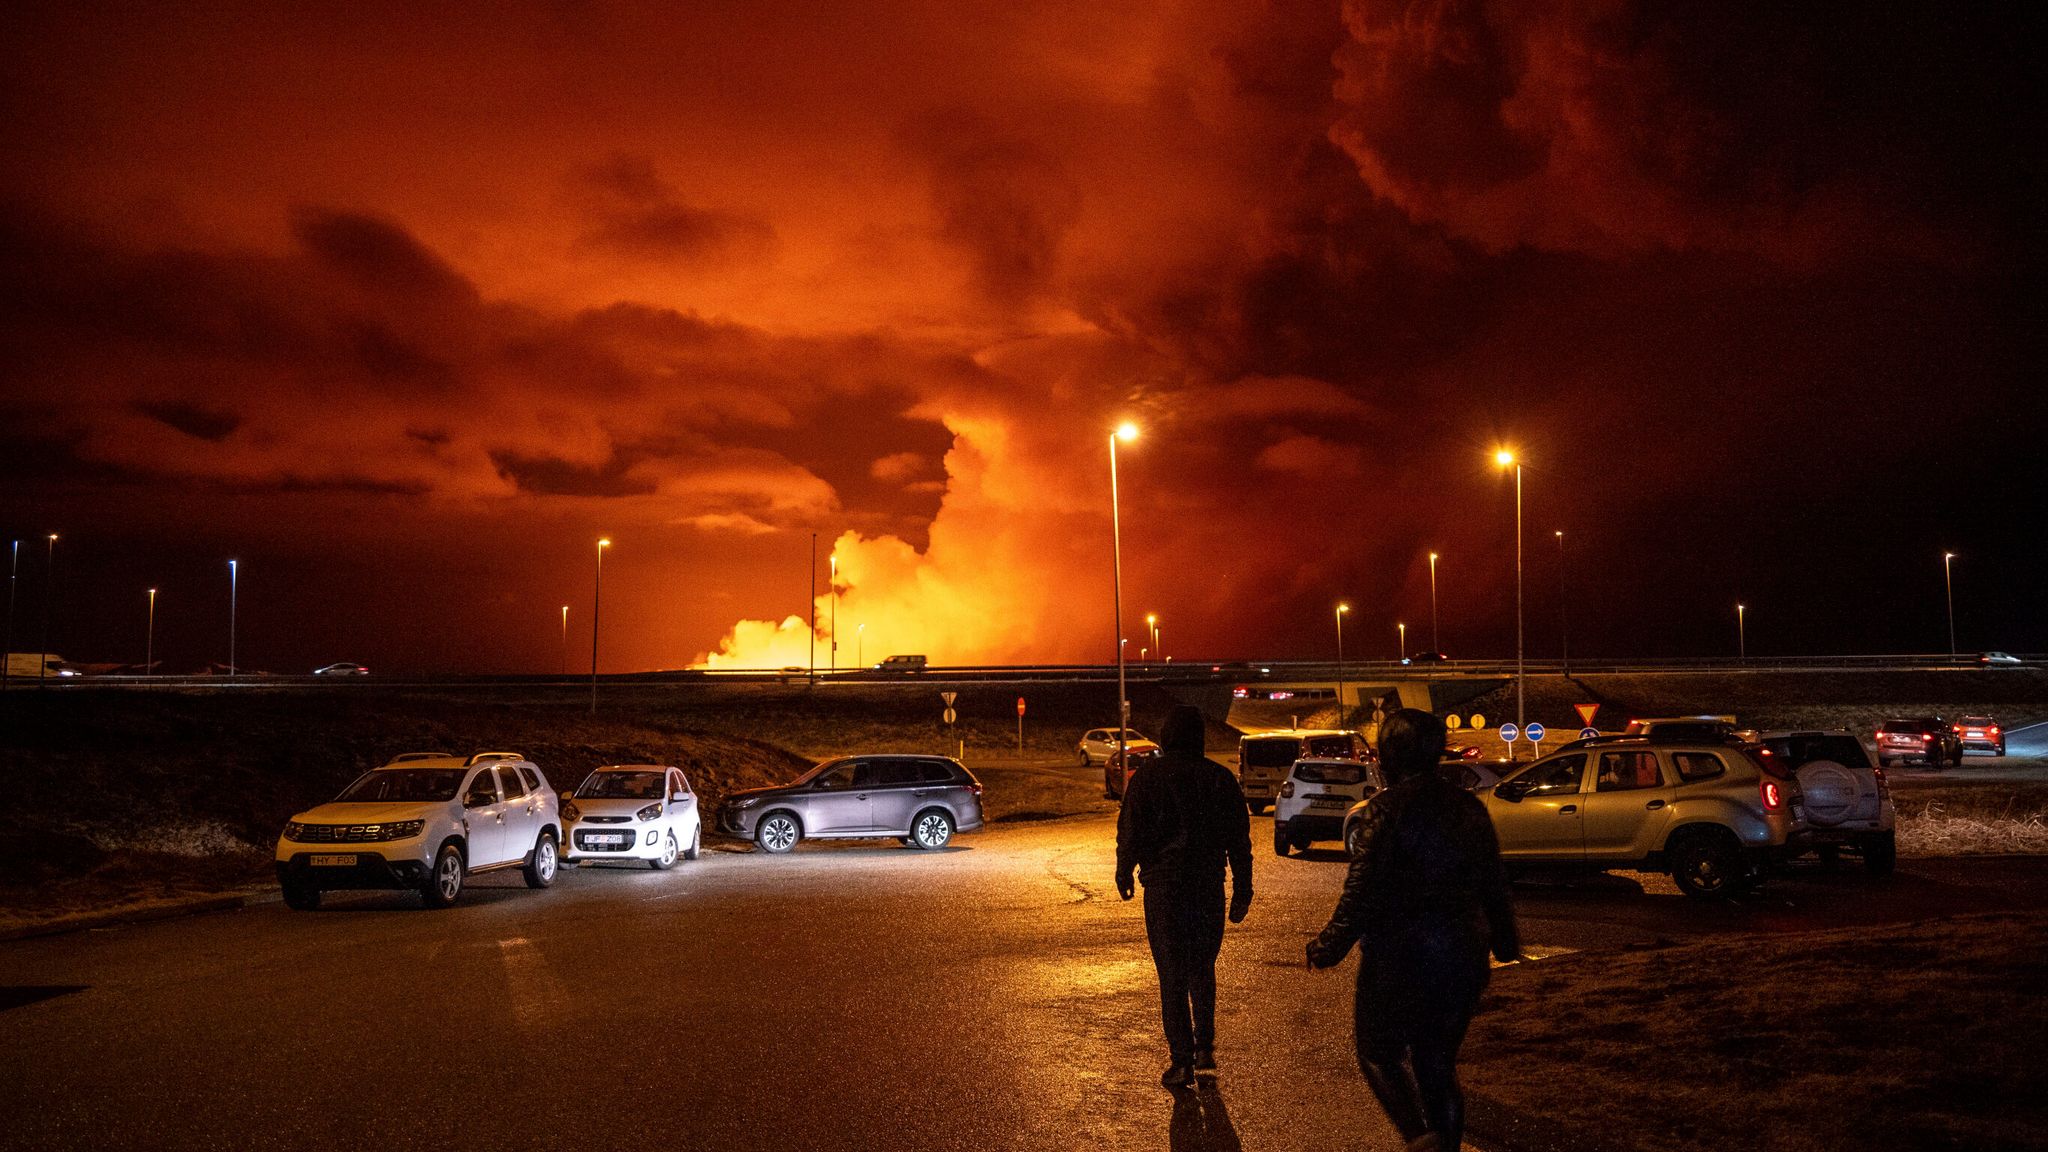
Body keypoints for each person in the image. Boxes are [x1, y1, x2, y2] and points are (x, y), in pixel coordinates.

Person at [1306, 708, 1519, 1151]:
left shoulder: (1383, 810)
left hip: (1398, 958)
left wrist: (1327, 947)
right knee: (1437, 1062)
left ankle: (1420, 1138)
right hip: (1461, 956)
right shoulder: (1467, 808)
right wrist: (1504, 938)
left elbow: (1360, 892)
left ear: (1389, 755)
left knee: (1377, 1051)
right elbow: (1493, 881)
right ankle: (1446, 1145)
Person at [1116, 704, 1253, 1088]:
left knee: (1172, 976)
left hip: (1163, 890)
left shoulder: (1147, 778)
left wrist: (1124, 870)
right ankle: (1205, 1045)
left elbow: (1130, 829)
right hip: (1207, 888)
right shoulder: (1220, 779)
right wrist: (1243, 889)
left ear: (1165, 736)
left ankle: (1182, 1060)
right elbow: (1239, 843)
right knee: (1202, 968)